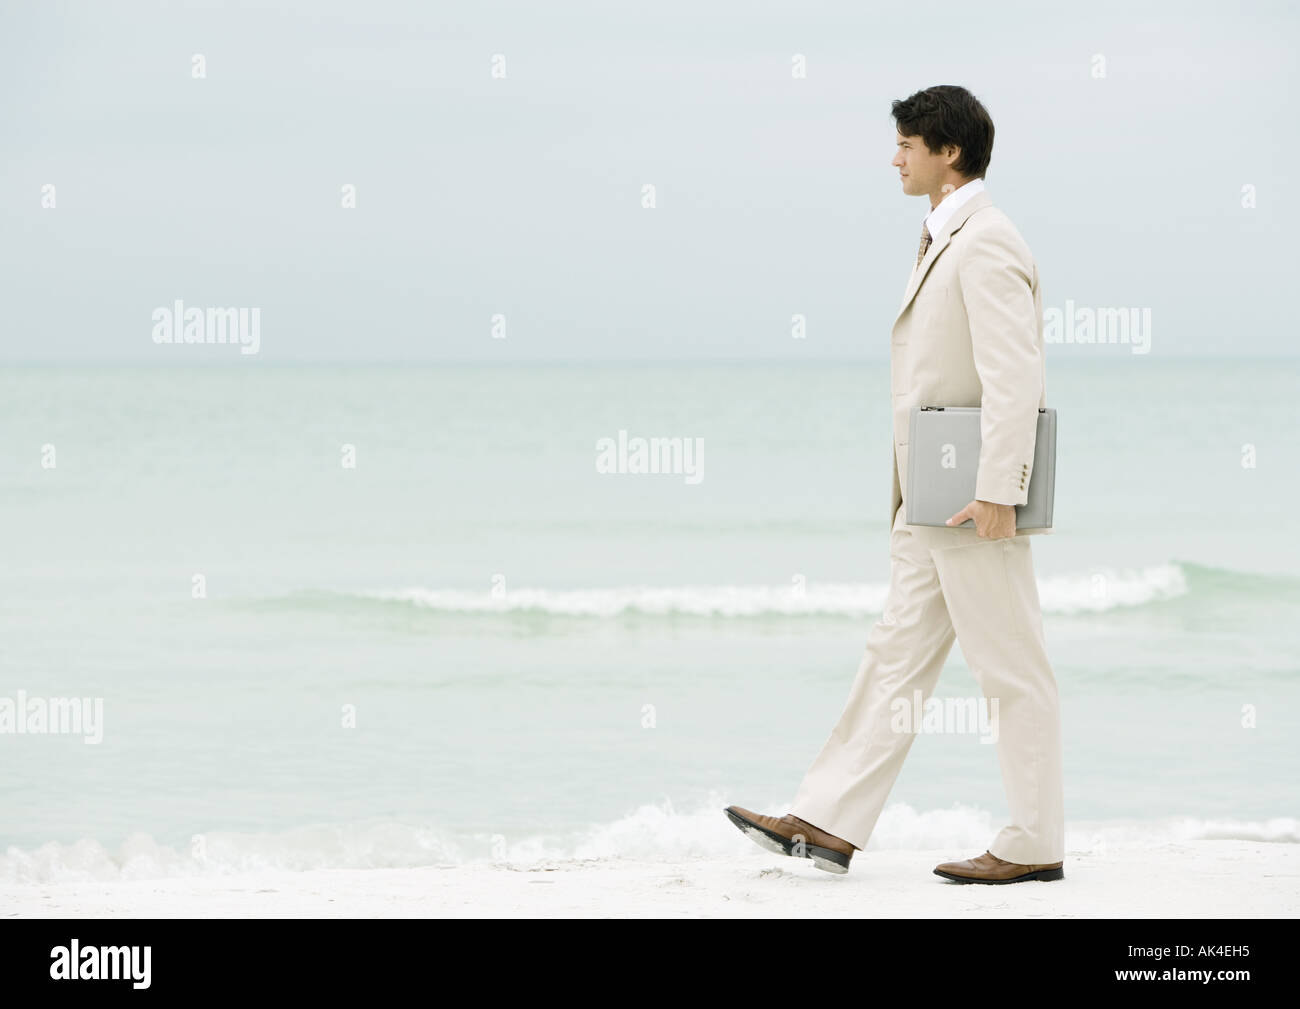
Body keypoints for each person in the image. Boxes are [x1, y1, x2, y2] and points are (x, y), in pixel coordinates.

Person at [725, 85, 1064, 884]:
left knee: (1012, 669)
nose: (895, 157)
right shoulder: (944, 235)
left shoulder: (987, 241)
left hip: (973, 498)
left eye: (907, 144)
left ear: (948, 151)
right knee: (893, 657)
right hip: (929, 497)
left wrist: (999, 489)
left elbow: (1015, 377)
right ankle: (827, 819)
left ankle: (1035, 841)